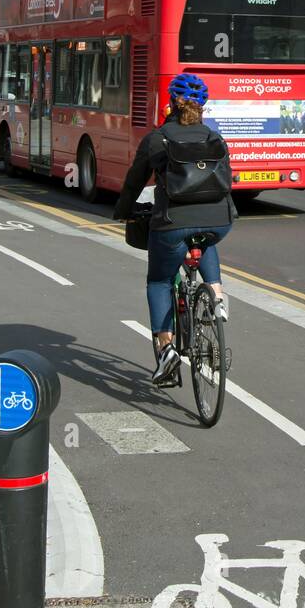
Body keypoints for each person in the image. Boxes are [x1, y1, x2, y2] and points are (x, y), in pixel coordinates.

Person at [113, 72, 235, 386]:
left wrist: (123, 212)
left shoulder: (158, 138)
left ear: (170, 103)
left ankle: (166, 348)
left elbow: (134, 181)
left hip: (172, 224)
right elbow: (226, 179)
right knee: (206, 239)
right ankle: (217, 297)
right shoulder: (215, 136)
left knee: (159, 281)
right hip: (219, 221)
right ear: (202, 106)